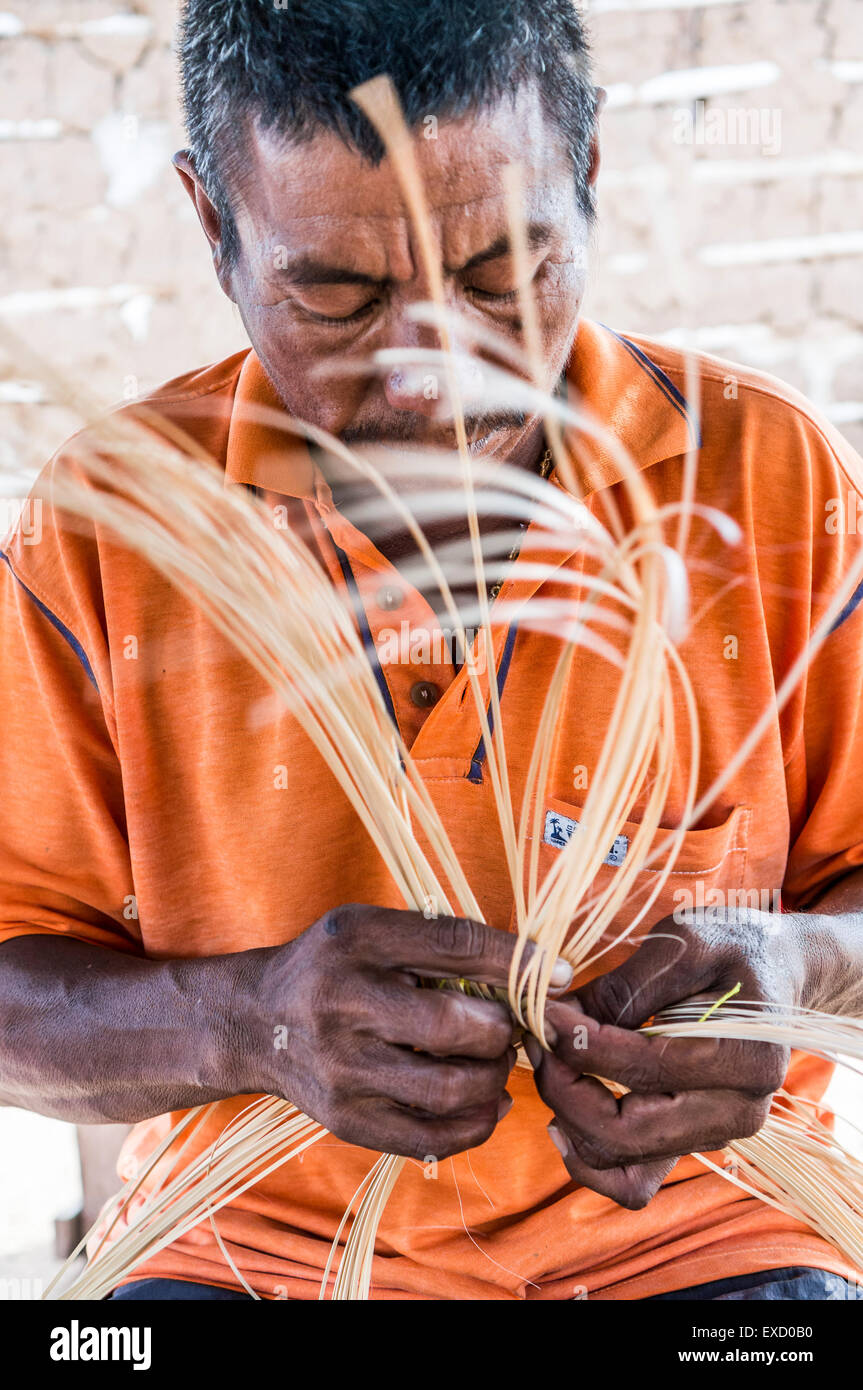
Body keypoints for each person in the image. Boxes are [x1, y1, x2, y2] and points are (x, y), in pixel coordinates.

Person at [1, 0, 862, 1302]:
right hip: (250, 1250)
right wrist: (251, 1018)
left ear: (589, 178)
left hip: (709, 1234)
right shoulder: (115, 526)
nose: (432, 379)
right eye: (338, 296)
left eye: (501, 275)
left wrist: (801, 970)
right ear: (212, 224)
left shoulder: (773, 478)